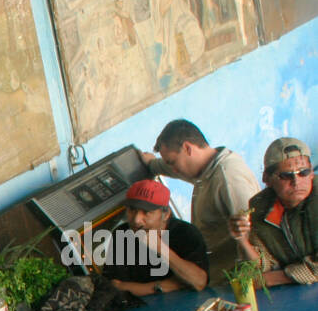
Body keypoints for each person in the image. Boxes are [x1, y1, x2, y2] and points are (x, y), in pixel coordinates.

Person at [142, 119, 259, 283]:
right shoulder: (204, 170)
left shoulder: (229, 178)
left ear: (188, 148)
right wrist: (150, 163)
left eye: (173, 162)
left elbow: (255, 240)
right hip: (213, 272)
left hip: (234, 281)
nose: (173, 169)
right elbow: (167, 168)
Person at [230, 137, 318, 286]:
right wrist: (242, 240)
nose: (296, 182)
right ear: (267, 179)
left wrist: (270, 279)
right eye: (286, 175)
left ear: (311, 173)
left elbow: (262, 279)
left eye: (303, 172)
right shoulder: (259, 207)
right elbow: (264, 264)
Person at [103, 179, 209, 295]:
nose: (136, 220)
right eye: (132, 210)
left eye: (146, 212)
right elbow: (114, 286)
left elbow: (198, 282)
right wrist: (161, 286)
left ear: (166, 214)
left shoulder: (185, 233)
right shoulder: (122, 233)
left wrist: (160, 248)